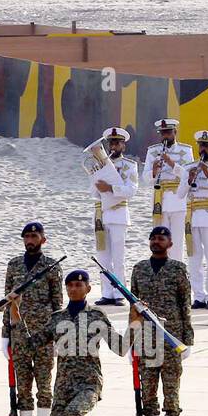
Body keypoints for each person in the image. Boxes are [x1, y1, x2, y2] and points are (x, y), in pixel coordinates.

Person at [24, 269, 130, 416]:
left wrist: (134, 322)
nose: (74, 289)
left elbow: (120, 348)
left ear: (88, 289)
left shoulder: (97, 316)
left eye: (78, 285)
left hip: (89, 381)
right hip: (63, 384)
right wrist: (15, 315)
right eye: (70, 285)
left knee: (74, 413)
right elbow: (31, 345)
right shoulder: (57, 318)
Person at [129, 226, 194, 416]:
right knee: (148, 391)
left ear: (170, 243)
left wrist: (188, 340)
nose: (156, 241)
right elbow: (133, 309)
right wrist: (131, 341)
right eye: (153, 238)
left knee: (171, 390)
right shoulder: (139, 269)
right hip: (145, 339)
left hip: (171, 338)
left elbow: (185, 305)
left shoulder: (178, 269)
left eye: (161, 238)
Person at [0, 221, 63, 416]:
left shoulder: (52, 266)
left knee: (44, 387)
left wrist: (58, 335)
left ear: (43, 239)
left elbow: (58, 304)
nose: (30, 240)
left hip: (44, 334)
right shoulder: (14, 265)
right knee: (23, 387)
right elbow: (7, 302)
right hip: (18, 334)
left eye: (34, 236)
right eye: (26, 236)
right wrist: (5, 335)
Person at [176, 130, 208, 310]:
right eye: (201, 145)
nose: (203, 149)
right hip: (192, 217)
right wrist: (188, 179)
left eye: (206, 146)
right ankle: (198, 296)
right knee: (194, 259)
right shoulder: (188, 167)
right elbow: (180, 195)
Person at [90, 126, 140, 305]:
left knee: (118, 258)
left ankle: (120, 294)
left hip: (118, 213)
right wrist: (97, 184)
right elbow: (93, 193)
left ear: (123, 146)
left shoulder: (129, 165)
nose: (113, 146)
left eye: (117, 143)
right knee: (103, 257)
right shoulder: (100, 165)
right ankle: (107, 293)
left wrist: (110, 188)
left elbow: (132, 190)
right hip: (101, 213)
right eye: (111, 143)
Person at [142, 118, 193, 264]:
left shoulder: (185, 150)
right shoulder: (152, 151)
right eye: (163, 133)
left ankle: (176, 269)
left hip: (178, 199)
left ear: (175, 132)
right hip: (160, 200)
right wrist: (153, 170)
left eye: (168, 133)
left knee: (176, 240)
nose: (165, 136)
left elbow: (188, 175)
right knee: (160, 239)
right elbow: (146, 179)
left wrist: (171, 163)